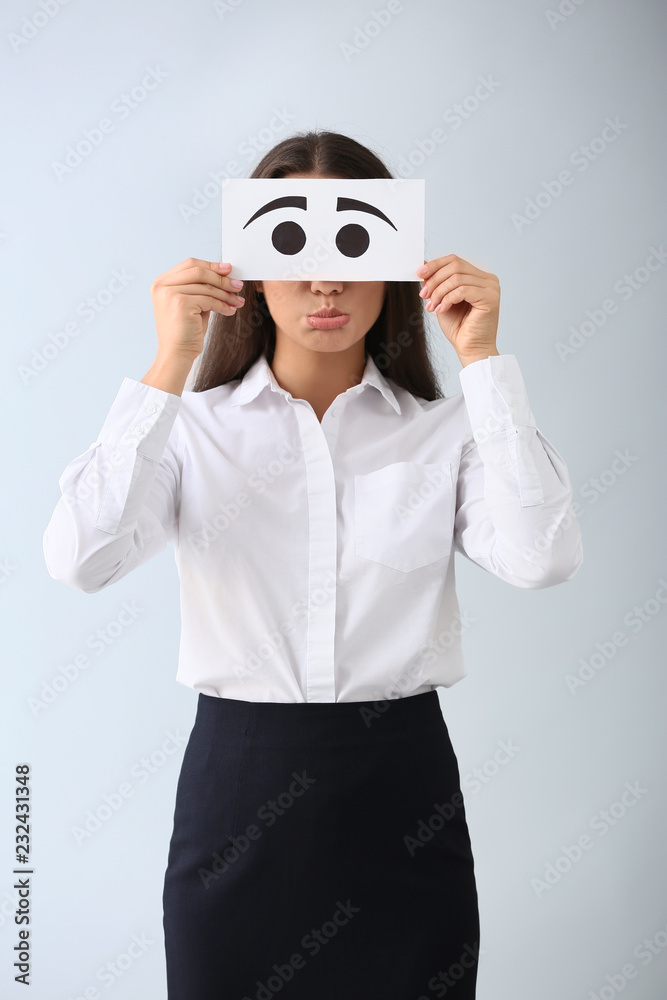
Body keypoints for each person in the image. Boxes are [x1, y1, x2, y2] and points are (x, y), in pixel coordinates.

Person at [43, 129, 583, 1000]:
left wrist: (481, 361)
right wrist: (168, 365)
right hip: (236, 789)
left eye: (353, 245)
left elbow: (541, 558)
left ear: (395, 267)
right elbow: (81, 559)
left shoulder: (445, 431)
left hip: (401, 790)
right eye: (290, 245)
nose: (323, 279)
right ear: (251, 267)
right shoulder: (191, 429)